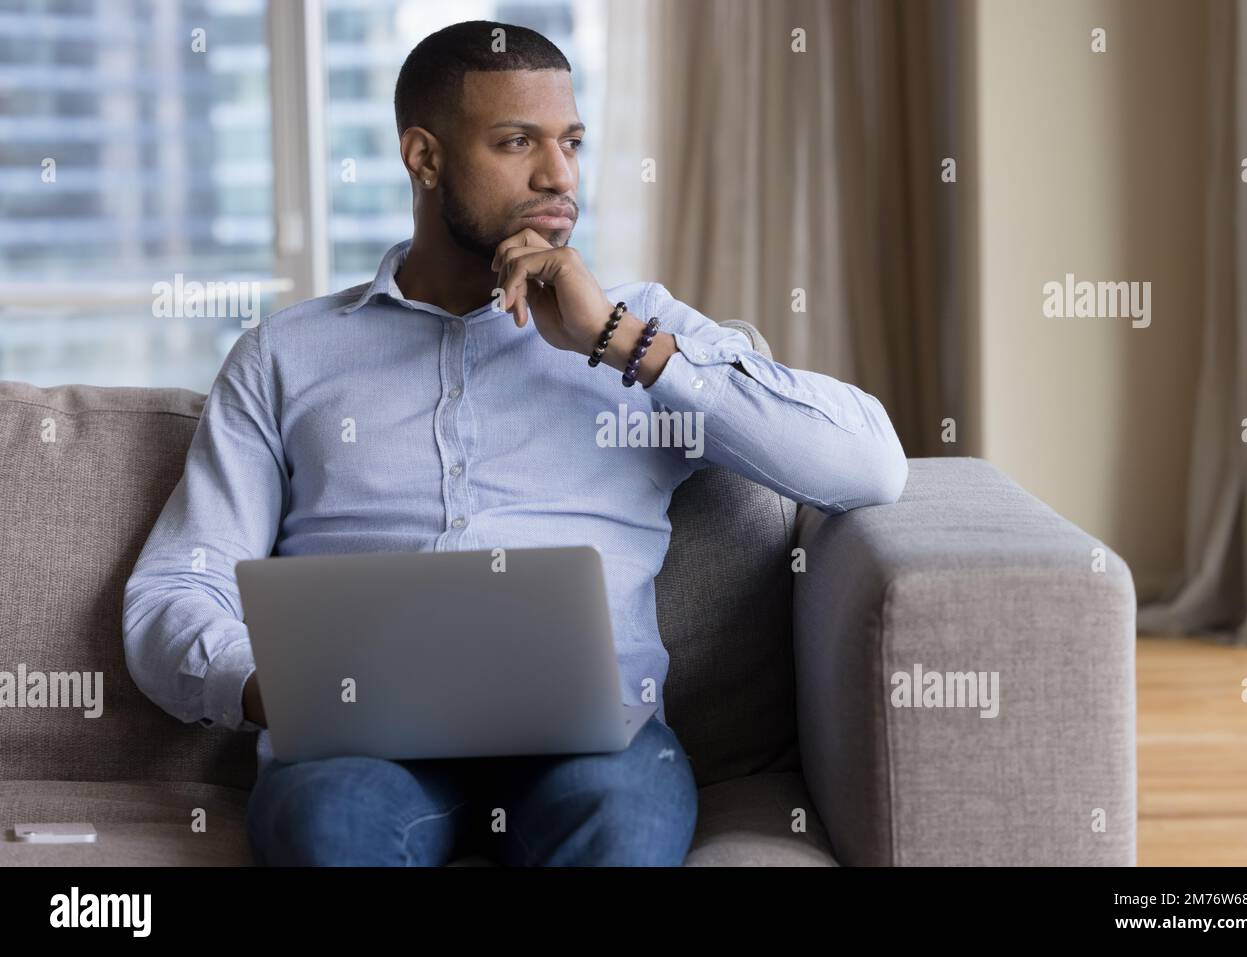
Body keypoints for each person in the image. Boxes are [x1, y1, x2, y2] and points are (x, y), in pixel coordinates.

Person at [122, 20, 908, 866]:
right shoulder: (286, 356)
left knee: (619, 834)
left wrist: (616, 337)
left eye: (570, 141)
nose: (559, 175)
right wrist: (272, 685)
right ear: (423, 158)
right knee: (326, 829)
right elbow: (173, 588)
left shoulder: (637, 327)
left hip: (596, 747)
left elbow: (867, 464)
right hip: (360, 745)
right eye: (516, 142)